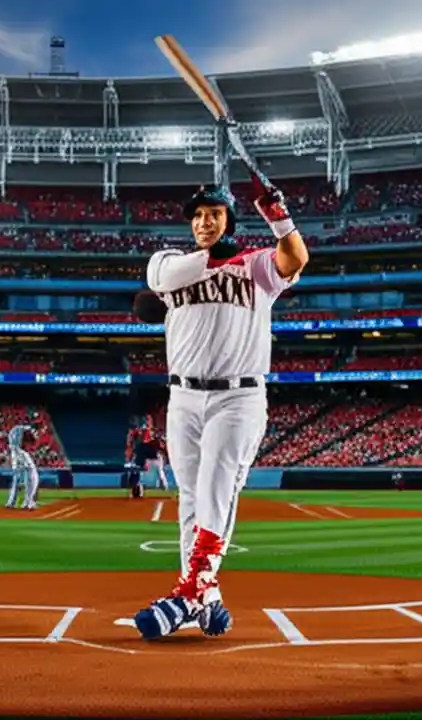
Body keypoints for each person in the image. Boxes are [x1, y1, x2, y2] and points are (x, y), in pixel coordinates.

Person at [130, 175, 308, 640]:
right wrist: (221, 255)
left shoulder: (257, 267)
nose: (204, 222)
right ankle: (206, 598)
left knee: (214, 488)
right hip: (183, 397)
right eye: (198, 216)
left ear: (230, 218)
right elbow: (161, 282)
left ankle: (188, 593)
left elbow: (296, 257)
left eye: (214, 214)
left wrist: (278, 216)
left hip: (238, 395)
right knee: (190, 500)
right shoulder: (169, 263)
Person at [5, 423, 39, 510]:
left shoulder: (17, 429)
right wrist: (34, 435)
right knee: (32, 472)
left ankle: (11, 502)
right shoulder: (26, 429)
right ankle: (28, 503)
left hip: (14, 452)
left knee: (17, 478)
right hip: (18, 452)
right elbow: (31, 434)